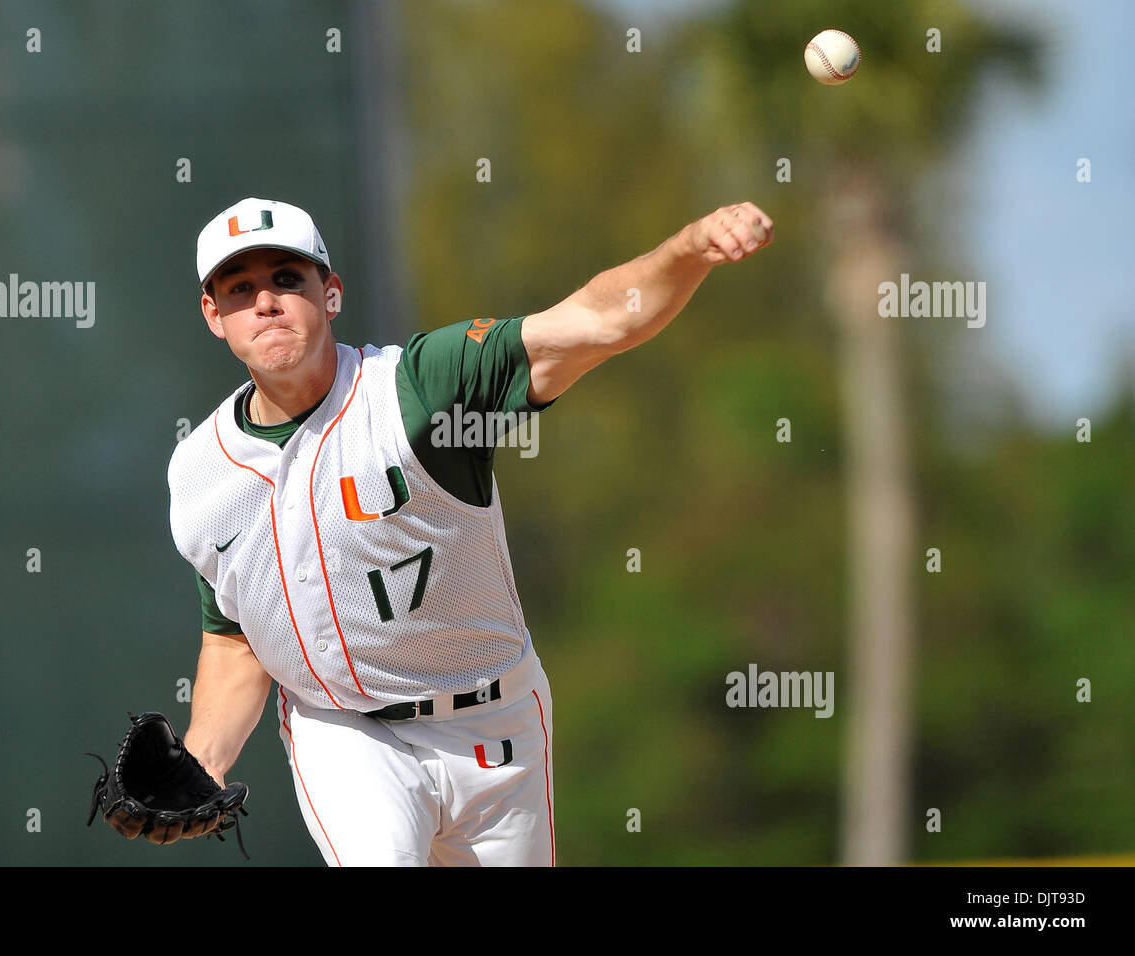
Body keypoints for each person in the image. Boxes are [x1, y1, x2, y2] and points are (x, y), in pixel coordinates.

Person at [168, 196, 773, 866]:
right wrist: (203, 760)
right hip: (347, 732)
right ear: (212, 314)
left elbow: (598, 320)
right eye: (239, 288)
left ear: (330, 294)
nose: (266, 301)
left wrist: (687, 248)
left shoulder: (420, 389)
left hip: (495, 726)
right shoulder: (201, 476)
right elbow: (238, 640)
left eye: (287, 279)